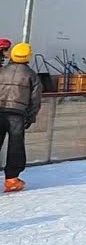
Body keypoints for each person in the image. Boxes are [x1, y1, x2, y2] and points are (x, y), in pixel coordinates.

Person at [0, 42, 41, 192]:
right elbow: (35, 100)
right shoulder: (31, 75)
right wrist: (30, 117)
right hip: (17, 115)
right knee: (15, 146)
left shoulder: (2, 71)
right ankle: (12, 179)